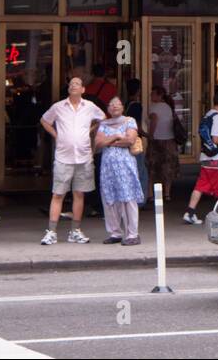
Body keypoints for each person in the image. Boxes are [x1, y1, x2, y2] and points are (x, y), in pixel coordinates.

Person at [40, 76, 105, 245]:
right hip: (63, 156)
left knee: (79, 194)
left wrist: (91, 130)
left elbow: (102, 118)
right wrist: (56, 135)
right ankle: (51, 231)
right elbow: (44, 120)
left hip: (83, 156)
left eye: (77, 84)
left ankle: (75, 230)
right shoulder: (59, 107)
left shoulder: (89, 107)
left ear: (83, 89)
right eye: (71, 84)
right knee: (58, 194)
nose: (73, 86)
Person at [94, 96, 142, 245]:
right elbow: (98, 143)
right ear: (107, 109)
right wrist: (115, 137)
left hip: (125, 165)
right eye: (111, 104)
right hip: (108, 167)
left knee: (128, 197)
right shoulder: (103, 124)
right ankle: (115, 232)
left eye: (117, 104)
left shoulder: (129, 121)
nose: (114, 106)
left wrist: (109, 142)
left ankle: (132, 234)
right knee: (109, 197)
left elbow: (130, 140)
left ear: (122, 107)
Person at [184, 90, 218, 225]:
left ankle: (190, 212)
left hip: (206, 158)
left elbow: (210, 141)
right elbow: (216, 139)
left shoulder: (208, 115)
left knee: (200, 187)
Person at [147, 85, 179, 200]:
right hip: (169, 140)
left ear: (159, 95)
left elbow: (154, 119)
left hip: (157, 140)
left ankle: (150, 194)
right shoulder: (168, 106)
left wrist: (150, 135)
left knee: (152, 167)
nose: (151, 96)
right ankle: (167, 193)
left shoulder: (154, 107)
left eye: (153, 94)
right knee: (167, 167)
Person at [124, 78, 148, 205]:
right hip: (135, 139)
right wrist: (147, 135)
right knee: (141, 169)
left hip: (125, 139)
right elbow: (137, 125)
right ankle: (141, 200)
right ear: (138, 90)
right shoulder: (136, 106)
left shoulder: (125, 103)